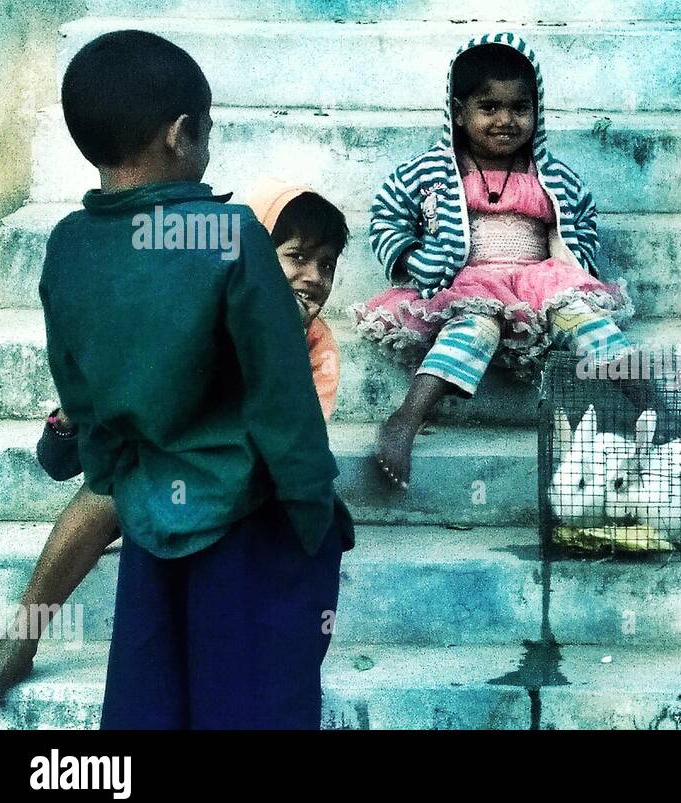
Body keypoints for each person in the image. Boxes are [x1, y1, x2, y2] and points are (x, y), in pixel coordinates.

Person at [38, 30, 352, 728]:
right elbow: (285, 404)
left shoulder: (68, 245)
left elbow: (81, 397)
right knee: (250, 702)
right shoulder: (229, 233)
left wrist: (125, 482)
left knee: (152, 703)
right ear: (183, 134)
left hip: (150, 516)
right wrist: (314, 516)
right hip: (249, 521)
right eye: (206, 132)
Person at [352, 34, 637, 490]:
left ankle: (648, 401)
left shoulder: (553, 176)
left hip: (539, 282)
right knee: (474, 328)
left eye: (520, 108)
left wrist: (573, 261)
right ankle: (406, 417)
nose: (506, 120)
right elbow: (387, 215)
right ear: (459, 112)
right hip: (469, 284)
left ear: (535, 111)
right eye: (489, 108)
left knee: (583, 317)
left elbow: (581, 218)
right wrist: (413, 257)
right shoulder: (430, 173)